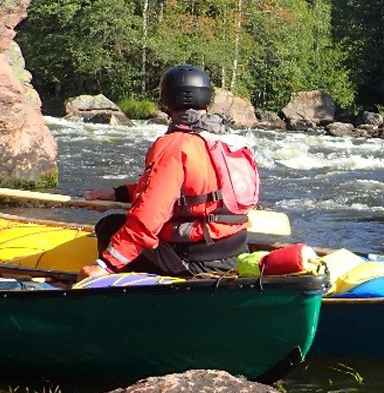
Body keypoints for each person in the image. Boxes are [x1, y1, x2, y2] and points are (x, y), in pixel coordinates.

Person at [77, 64, 255, 280]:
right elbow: (191, 194)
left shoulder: (174, 145)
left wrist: (106, 265)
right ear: (206, 101)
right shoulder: (232, 142)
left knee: (110, 226)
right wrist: (118, 193)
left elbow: (148, 215)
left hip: (194, 261)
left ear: (167, 102)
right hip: (236, 252)